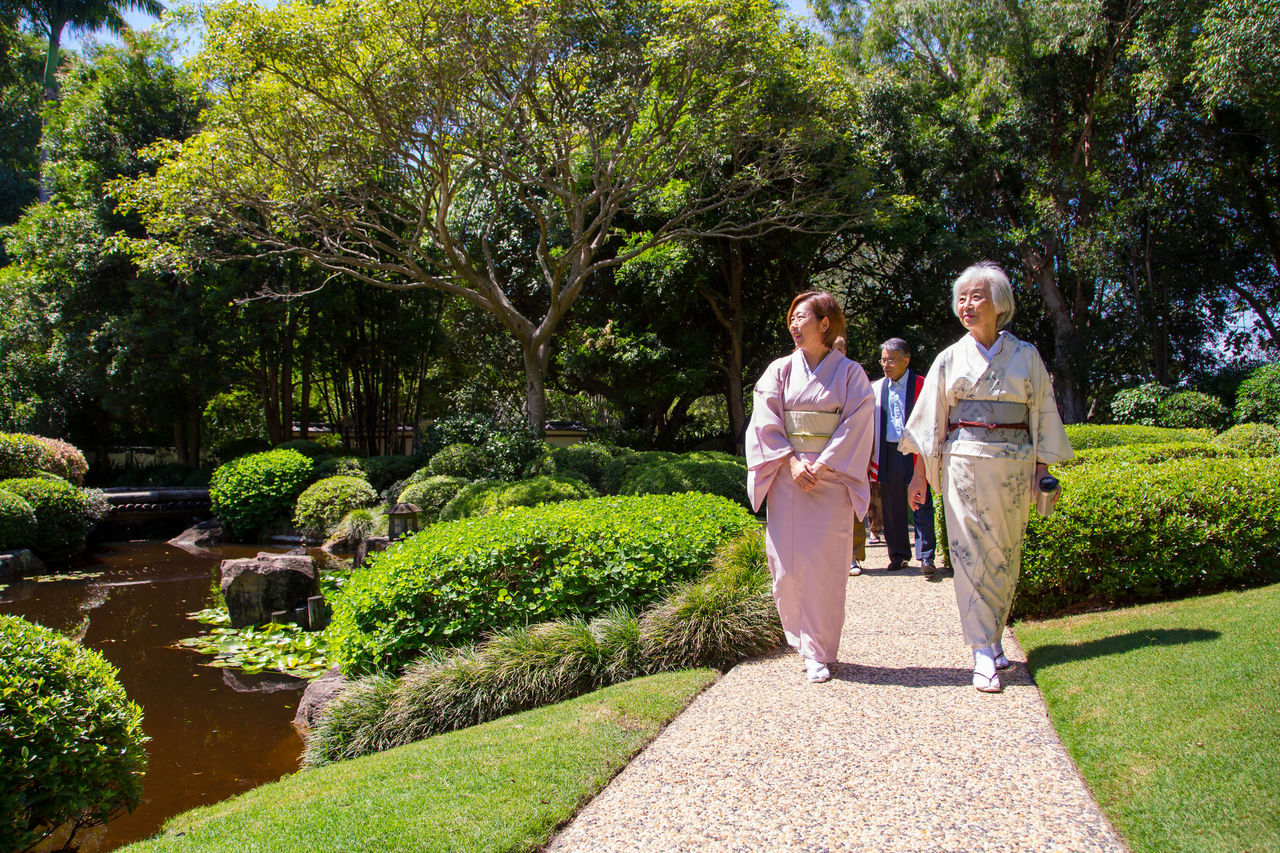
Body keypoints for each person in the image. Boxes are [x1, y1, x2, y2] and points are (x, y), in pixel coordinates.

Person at [901, 263, 1073, 693]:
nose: (967, 305)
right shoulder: (949, 358)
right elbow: (929, 424)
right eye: (962, 298)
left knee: (1004, 554)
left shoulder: (1027, 356)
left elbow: (1043, 416)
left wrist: (1042, 470)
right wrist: (919, 476)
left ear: (999, 303)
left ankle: (993, 639)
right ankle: (981, 651)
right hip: (963, 463)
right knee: (967, 554)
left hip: (1013, 466)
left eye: (977, 296)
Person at [746, 292, 875, 683]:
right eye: (791, 318)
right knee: (784, 566)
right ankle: (801, 641)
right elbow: (764, 420)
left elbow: (857, 423)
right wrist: (791, 460)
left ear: (825, 323)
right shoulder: (779, 370)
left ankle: (818, 650)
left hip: (830, 480)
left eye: (801, 317)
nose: (794, 325)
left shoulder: (851, 374)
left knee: (825, 569)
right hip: (788, 478)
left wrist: (821, 464)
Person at [869, 338, 937, 575]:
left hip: (915, 451)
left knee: (920, 500)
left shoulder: (922, 385)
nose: (885, 364)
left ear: (906, 361)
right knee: (891, 504)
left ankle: (926, 556)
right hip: (888, 450)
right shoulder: (876, 388)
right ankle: (898, 554)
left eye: (891, 360)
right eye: (883, 359)